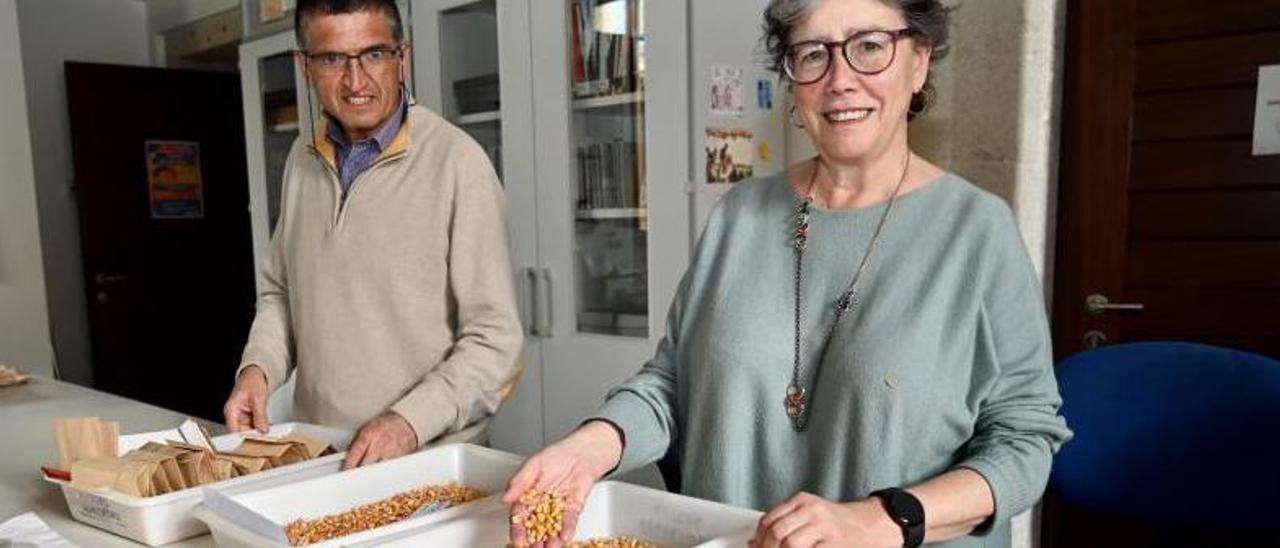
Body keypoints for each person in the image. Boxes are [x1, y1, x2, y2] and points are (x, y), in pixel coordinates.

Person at [502, 0, 1071, 546]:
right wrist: (591, 446)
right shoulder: (739, 214)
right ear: (793, 81)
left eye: (869, 46)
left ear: (918, 61)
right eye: (813, 53)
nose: (840, 79)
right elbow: (672, 381)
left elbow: (1024, 442)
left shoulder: (978, 231)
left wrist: (885, 520)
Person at [223, 0, 523, 470]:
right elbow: (282, 293)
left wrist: (408, 421)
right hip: (322, 458)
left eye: (374, 55)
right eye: (333, 59)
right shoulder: (303, 163)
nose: (356, 80)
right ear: (305, 66)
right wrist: (258, 370)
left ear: (401, 57)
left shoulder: (457, 163)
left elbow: (497, 342)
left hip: (431, 465)